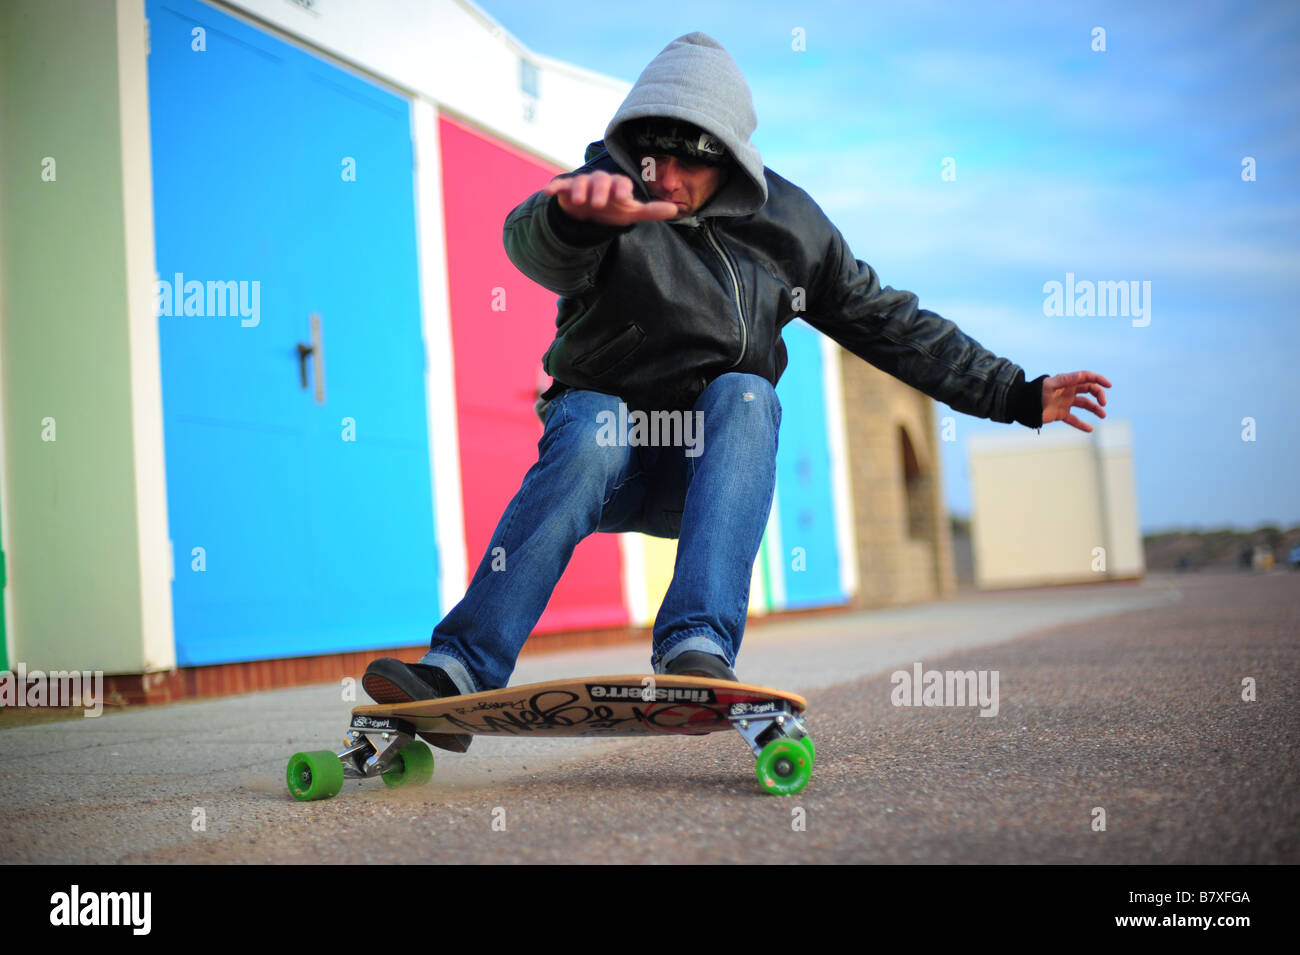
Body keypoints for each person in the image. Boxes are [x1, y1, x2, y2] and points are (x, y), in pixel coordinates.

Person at [362, 32, 1110, 752]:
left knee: (749, 391)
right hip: (603, 461)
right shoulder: (603, 192)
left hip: (705, 471)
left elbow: (889, 321)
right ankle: (459, 665)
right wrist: (568, 218)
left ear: (727, 156)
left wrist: (1012, 390)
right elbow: (529, 239)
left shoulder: (791, 228)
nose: (664, 181)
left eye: (686, 166)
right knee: (595, 422)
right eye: (650, 159)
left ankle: (696, 643)